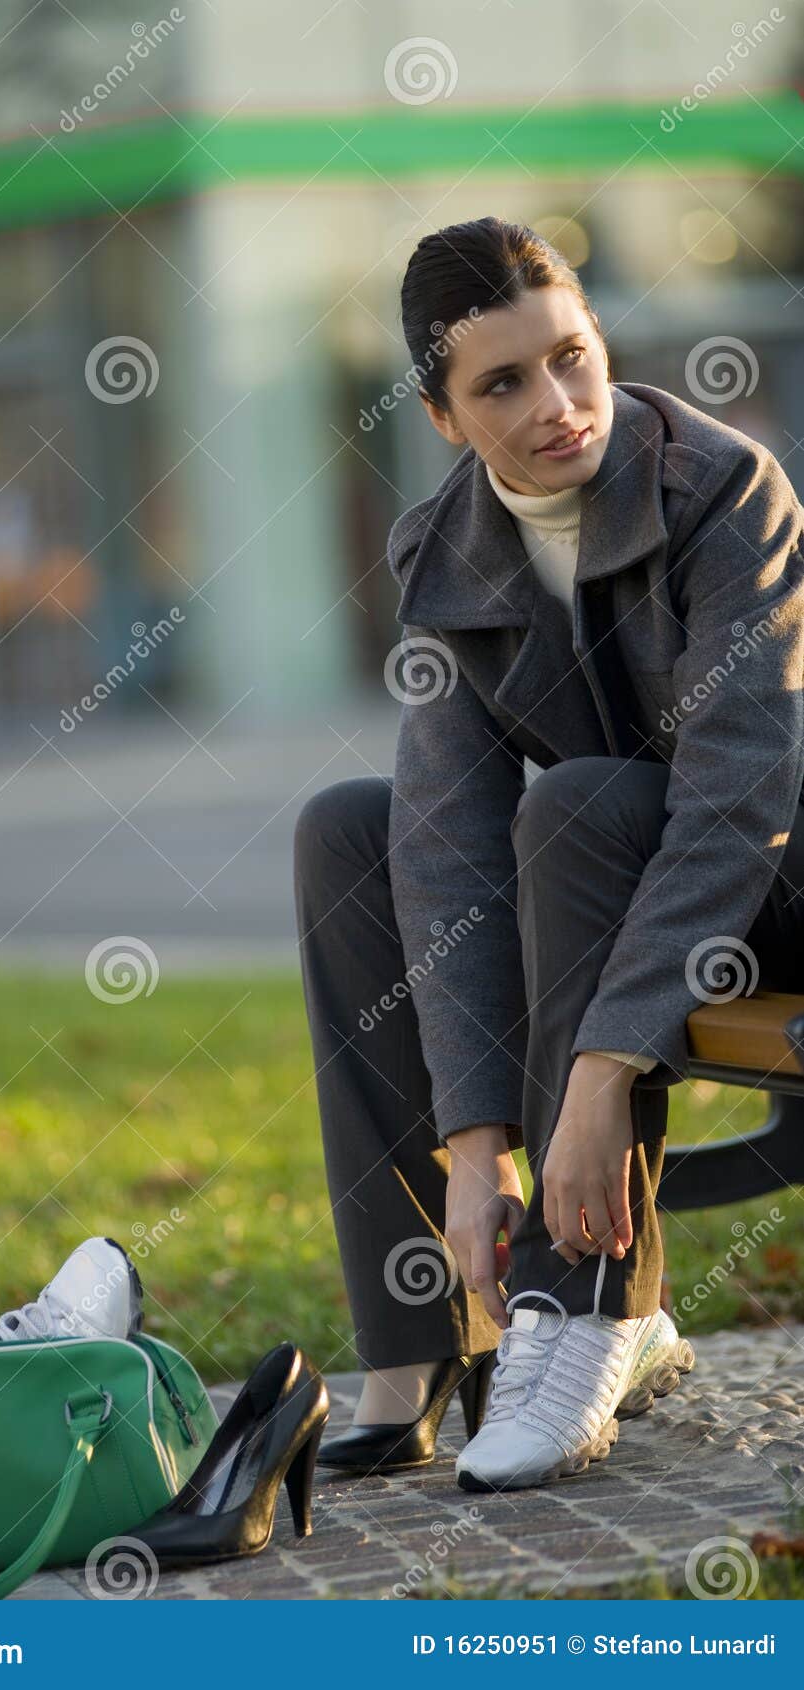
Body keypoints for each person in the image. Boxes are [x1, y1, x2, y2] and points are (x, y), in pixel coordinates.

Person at [293, 215, 804, 1491]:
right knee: (351, 833)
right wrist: (478, 1142)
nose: (559, 404)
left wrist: (593, 1080)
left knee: (575, 805)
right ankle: (423, 1334)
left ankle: (589, 1310)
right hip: (614, 882)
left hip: (773, 883)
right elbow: (446, 836)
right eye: (502, 382)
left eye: (571, 356)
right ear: (444, 417)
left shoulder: (725, 490)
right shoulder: (443, 545)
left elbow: (738, 806)